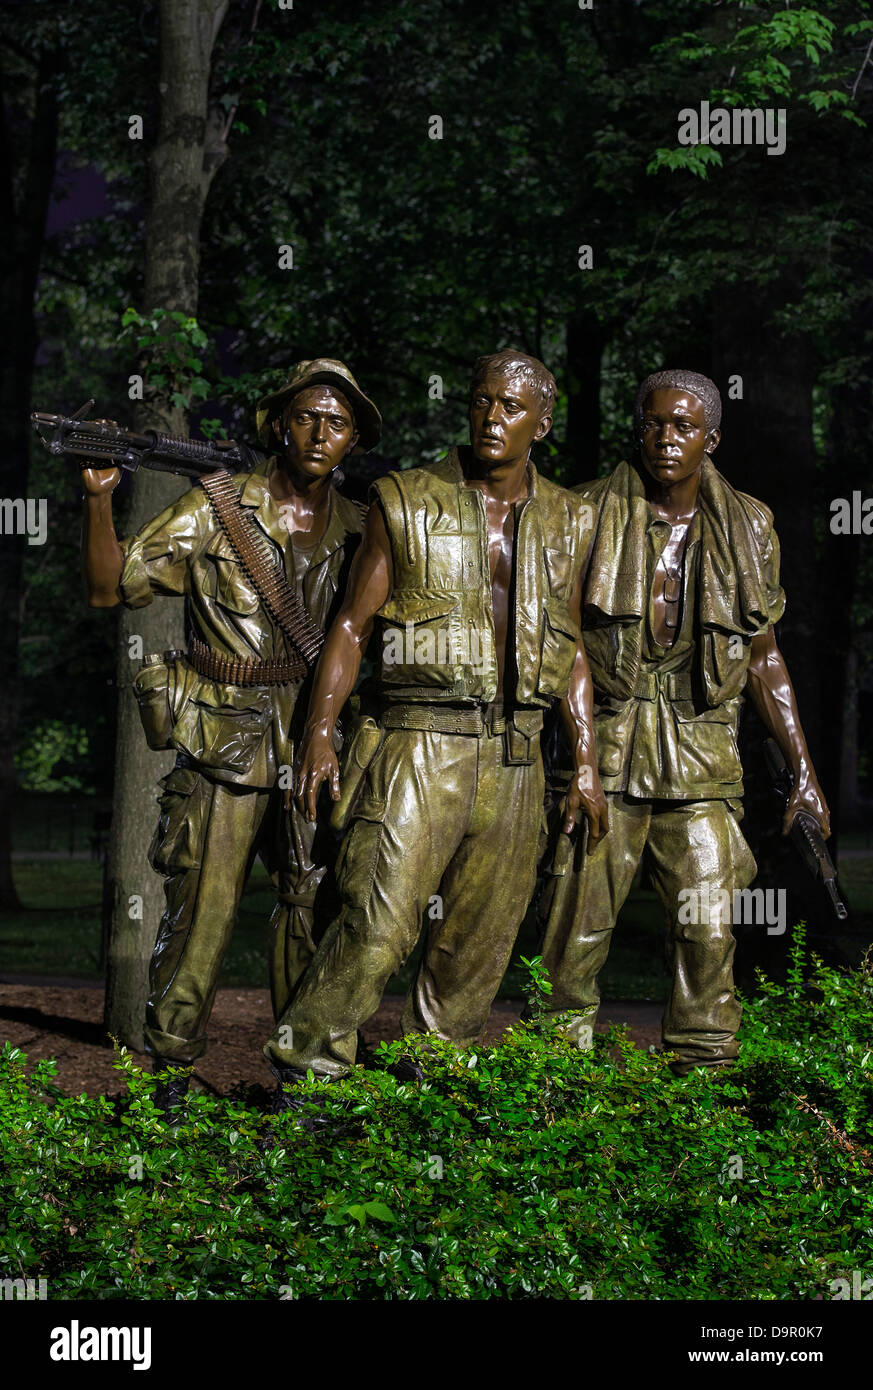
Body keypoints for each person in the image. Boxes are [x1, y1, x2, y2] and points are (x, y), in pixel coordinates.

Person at [262, 349, 608, 1101]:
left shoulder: (573, 518)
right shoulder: (405, 498)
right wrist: (319, 731)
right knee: (376, 920)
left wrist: (583, 761)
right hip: (417, 737)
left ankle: (432, 1086)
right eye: (481, 400)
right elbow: (352, 628)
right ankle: (306, 1078)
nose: (490, 416)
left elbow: (571, 642)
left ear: (540, 424)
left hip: (515, 751)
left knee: (477, 942)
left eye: (510, 407)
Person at [81, 358, 381, 1110]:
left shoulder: (363, 527)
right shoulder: (214, 507)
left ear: (353, 440)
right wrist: (98, 501)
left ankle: (302, 1078)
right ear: (279, 425)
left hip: (317, 739)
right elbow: (108, 587)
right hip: (225, 738)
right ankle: (171, 1080)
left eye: (337, 423)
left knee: (308, 909)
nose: (319, 433)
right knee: (201, 914)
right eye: (306, 417)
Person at [536, 369, 830, 1075]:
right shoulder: (582, 513)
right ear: (637, 428)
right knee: (575, 927)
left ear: (710, 438)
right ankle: (552, 1078)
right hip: (606, 741)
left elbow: (762, 657)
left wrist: (804, 772)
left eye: (684, 426)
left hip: (700, 751)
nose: (667, 437)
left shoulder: (750, 525)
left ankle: (702, 1074)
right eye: (655, 423)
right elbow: (564, 644)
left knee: (707, 924)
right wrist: (578, 762)